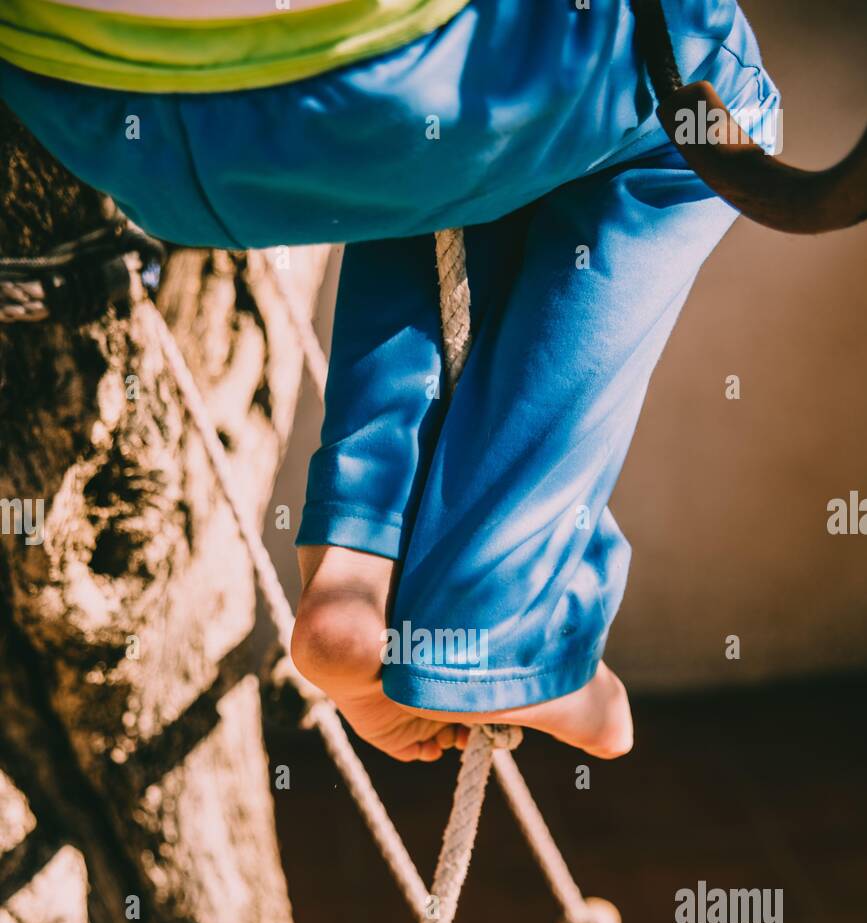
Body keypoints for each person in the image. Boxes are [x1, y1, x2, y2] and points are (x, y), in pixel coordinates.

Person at [0, 0, 780, 760]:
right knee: (715, 107)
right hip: (379, 90)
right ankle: (497, 619)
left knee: (455, 146)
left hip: (100, 118)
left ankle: (357, 563)